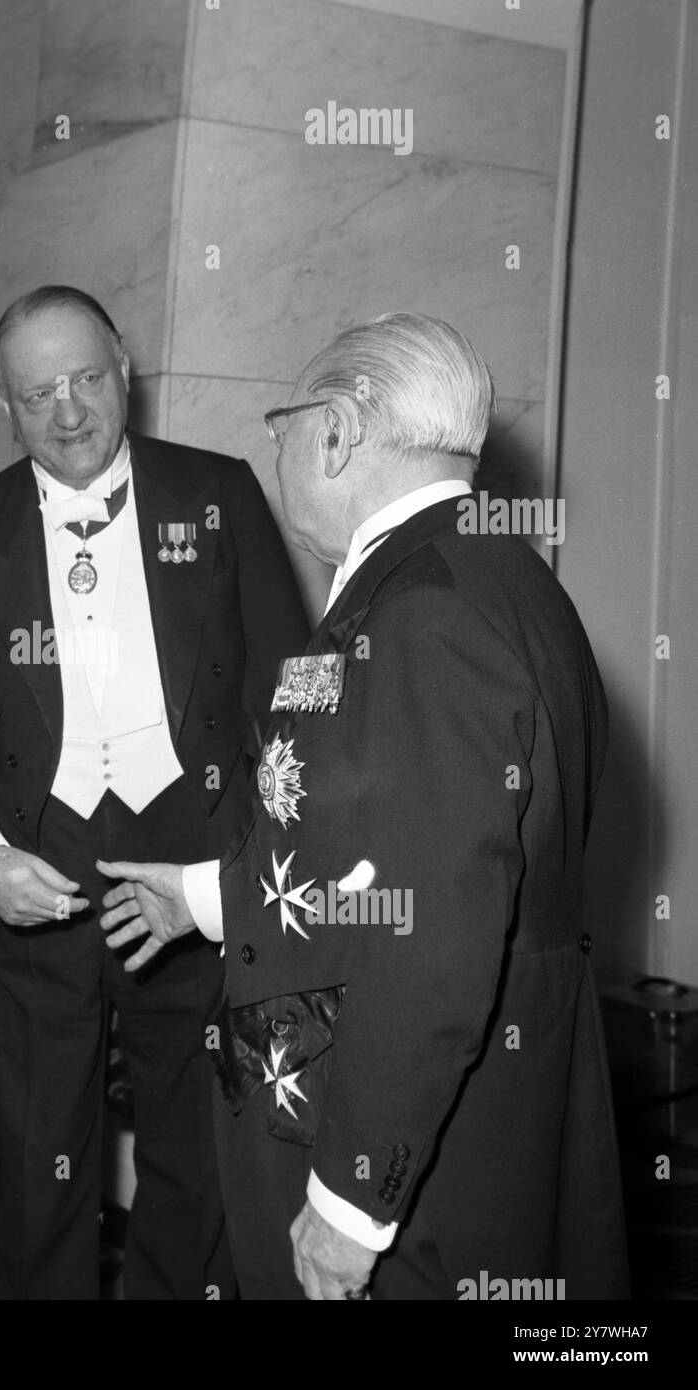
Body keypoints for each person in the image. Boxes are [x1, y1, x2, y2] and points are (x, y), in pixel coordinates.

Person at [99, 312, 629, 1300]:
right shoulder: (491, 577)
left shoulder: (424, 610)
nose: (280, 451)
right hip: (459, 1122)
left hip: (410, 1167)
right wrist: (208, 897)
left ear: (338, 429)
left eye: (283, 425)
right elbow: (380, 845)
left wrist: (352, 1199)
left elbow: (436, 929)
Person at [0, 285, 309, 1299]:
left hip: (196, 877)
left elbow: (292, 691)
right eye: (38, 392)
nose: (70, 410)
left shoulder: (220, 495)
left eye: (86, 378)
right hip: (40, 879)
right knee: (40, 1158)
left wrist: (246, 868)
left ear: (125, 367)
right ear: (6, 404)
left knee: (198, 1144)